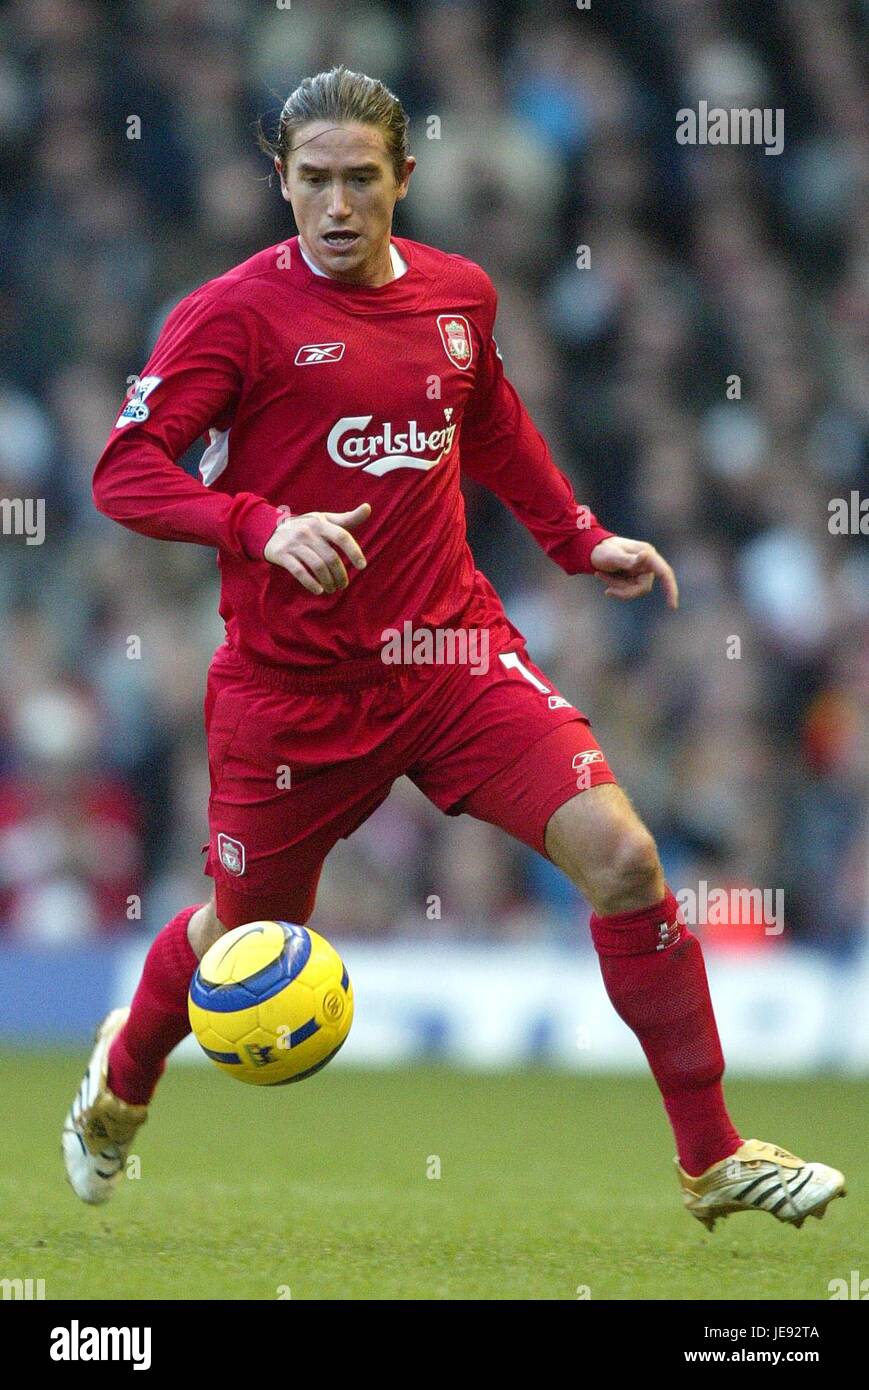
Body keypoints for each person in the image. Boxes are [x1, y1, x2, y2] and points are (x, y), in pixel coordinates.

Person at [65, 67, 844, 1232]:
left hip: (450, 655)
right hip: (292, 698)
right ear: (280, 180)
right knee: (241, 930)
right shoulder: (230, 314)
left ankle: (712, 1156)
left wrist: (578, 538)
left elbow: (485, 417)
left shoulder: (457, 297)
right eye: (313, 180)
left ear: (402, 180)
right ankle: (119, 1090)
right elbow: (124, 473)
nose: (336, 206)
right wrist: (259, 525)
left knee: (626, 860)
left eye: (360, 181)